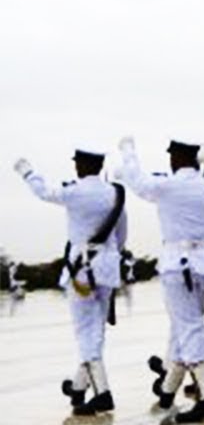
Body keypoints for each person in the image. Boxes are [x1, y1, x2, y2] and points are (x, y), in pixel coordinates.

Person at [118, 137, 204, 422]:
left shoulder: (166, 186)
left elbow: (136, 180)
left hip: (176, 266)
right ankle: (167, 390)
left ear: (176, 158)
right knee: (186, 327)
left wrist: (129, 151)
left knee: (189, 328)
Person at [14, 146, 126, 417]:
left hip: (81, 271)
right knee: (96, 330)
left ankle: (103, 394)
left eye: (77, 163)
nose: (75, 167)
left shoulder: (74, 191)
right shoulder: (115, 193)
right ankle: (78, 387)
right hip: (108, 267)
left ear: (84, 165)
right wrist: (110, 257)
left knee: (85, 332)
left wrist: (28, 172)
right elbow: (121, 234)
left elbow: (44, 192)